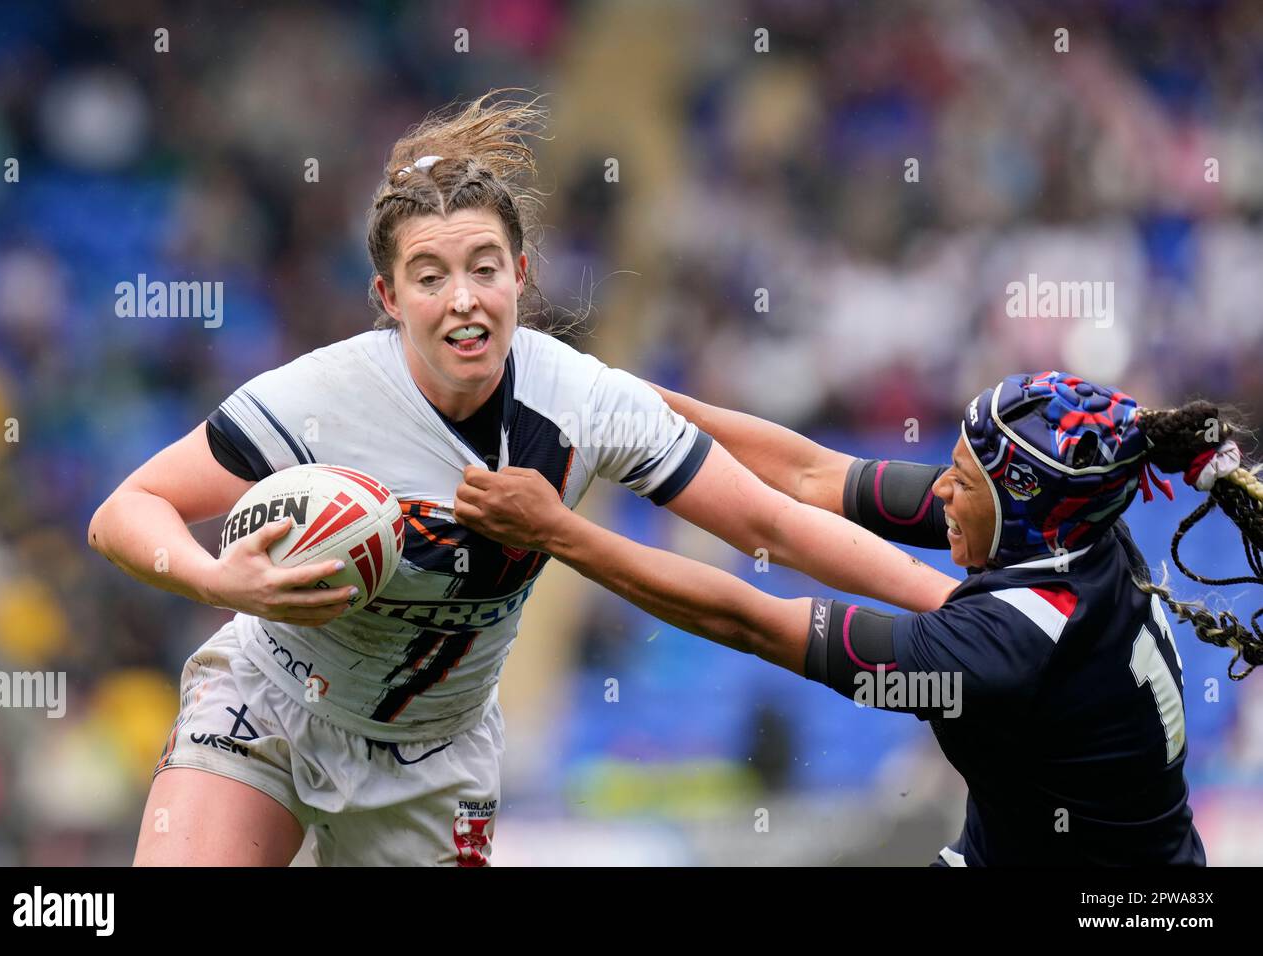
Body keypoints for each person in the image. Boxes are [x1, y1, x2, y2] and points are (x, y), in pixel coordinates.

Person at [86, 92, 958, 867]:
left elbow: (771, 526)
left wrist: (950, 606)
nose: (462, 298)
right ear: (389, 298)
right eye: (429, 277)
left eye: (484, 268)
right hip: (268, 701)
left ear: (520, 277)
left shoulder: (581, 401)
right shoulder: (319, 396)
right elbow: (127, 509)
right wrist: (213, 576)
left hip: (437, 755)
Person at [455, 371, 1263, 865]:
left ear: (1021, 507)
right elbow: (813, 474)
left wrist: (557, 532)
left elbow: (749, 620)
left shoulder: (1001, 648)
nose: (941, 492)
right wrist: (626, 401)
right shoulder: (1076, 528)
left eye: (962, 480)